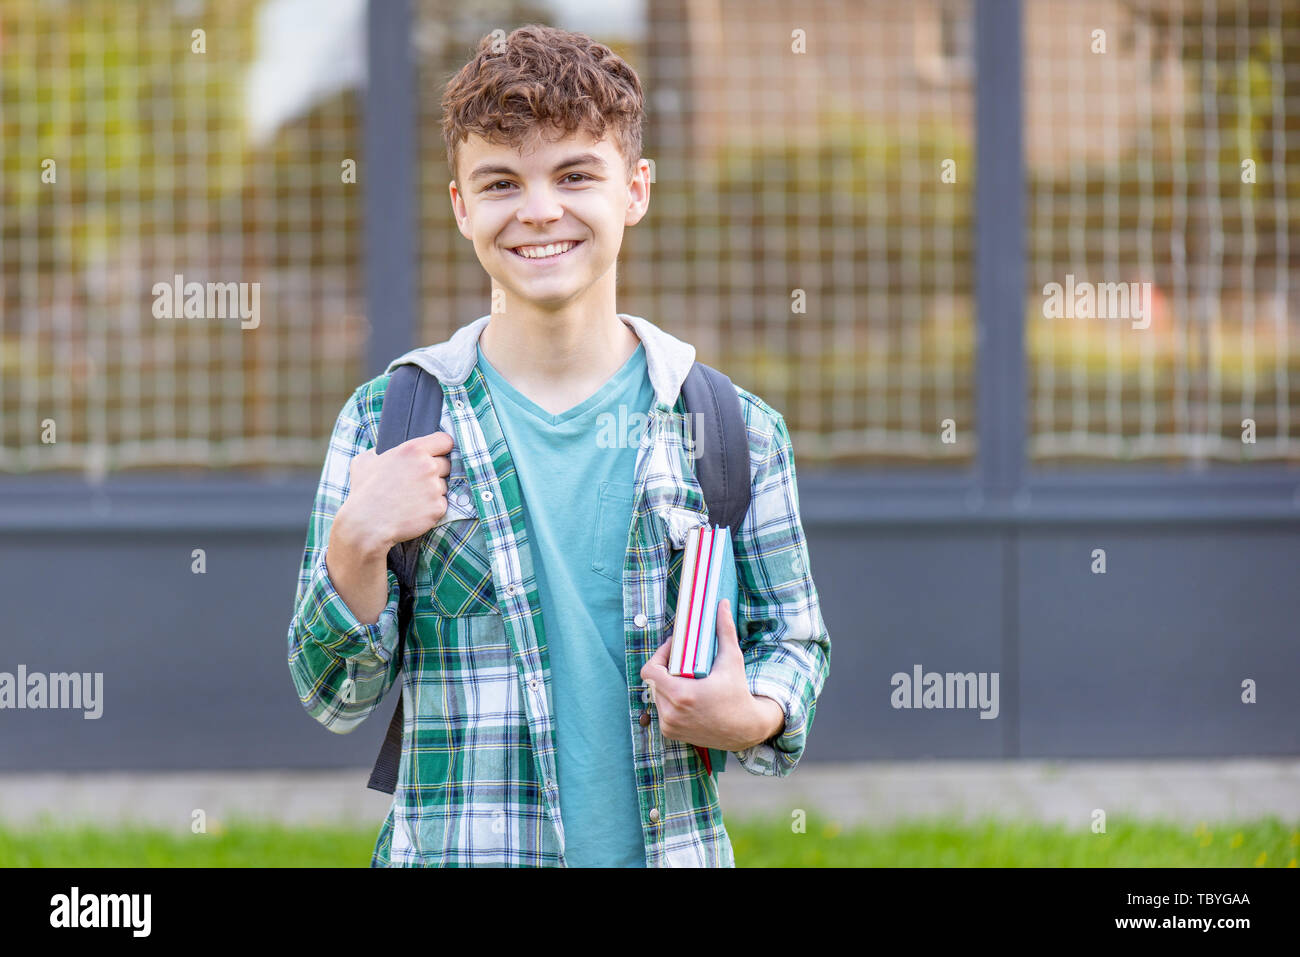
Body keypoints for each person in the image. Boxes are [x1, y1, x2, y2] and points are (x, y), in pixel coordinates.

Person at [286, 23, 830, 867]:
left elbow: (792, 640)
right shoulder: (389, 419)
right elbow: (332, 695)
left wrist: (751, 714)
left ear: (635, 189)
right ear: (462, 205)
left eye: (575, 174)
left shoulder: (730, 427)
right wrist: (356, 545)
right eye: (502, 182)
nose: (539, 210)